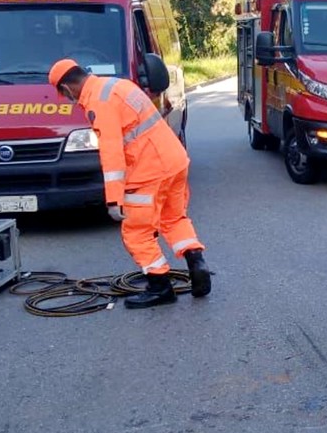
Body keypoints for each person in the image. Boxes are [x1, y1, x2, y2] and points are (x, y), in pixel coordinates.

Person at [48, 58, 211, 309]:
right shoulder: (118, 85)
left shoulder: (98, 103)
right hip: (174, 160)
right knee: (174, 219)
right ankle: (196, 262)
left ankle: (160, 287)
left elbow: (112, 153)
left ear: (67, 88)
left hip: (149, 171)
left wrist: (114, 199)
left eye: (63, 94)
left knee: (136, 232)